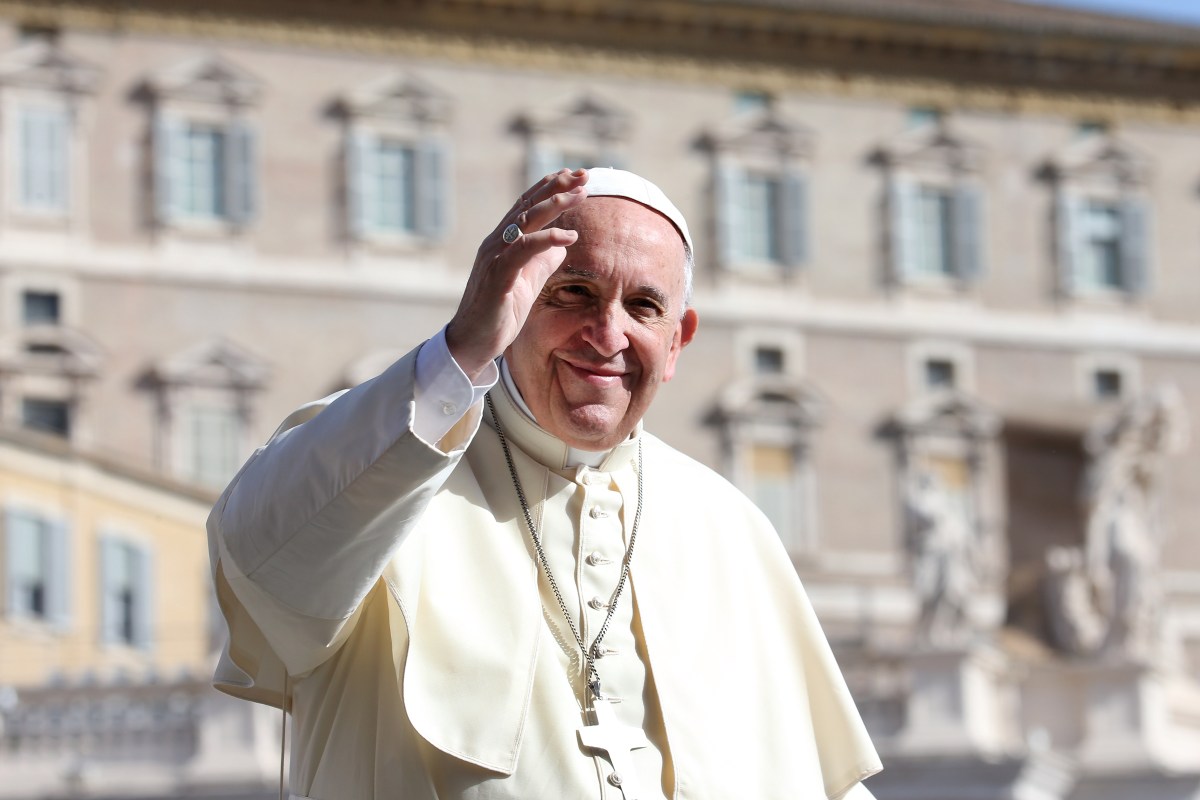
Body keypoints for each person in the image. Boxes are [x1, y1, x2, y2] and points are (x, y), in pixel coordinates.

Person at [208, 167, 882, 799]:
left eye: (644, 306)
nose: (607, 334)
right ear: (516, 300)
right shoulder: (386, 461)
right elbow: (261, 558)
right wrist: (460, 352)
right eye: (574, 293)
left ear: (677, 341)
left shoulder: (730, 528)